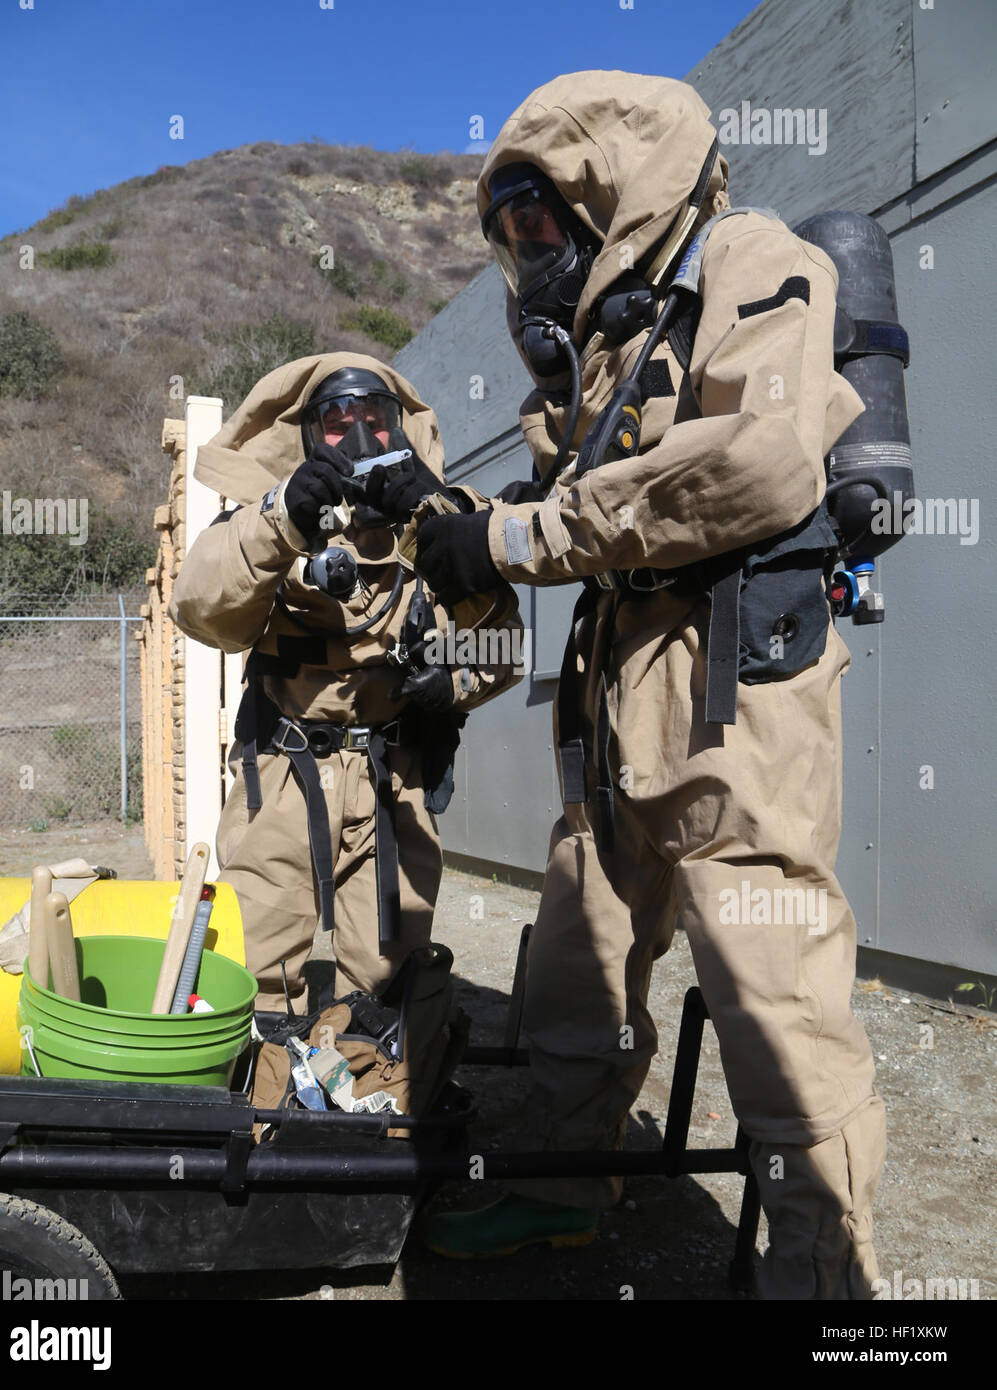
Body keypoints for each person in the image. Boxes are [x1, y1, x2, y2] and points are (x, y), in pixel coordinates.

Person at [417, 73, 886, 1299]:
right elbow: (590, 504)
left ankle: (827, 1273)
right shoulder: (607, 340)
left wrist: (516, 539)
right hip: (616, 685)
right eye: (510, 231)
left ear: (617, 193)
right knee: (580, 950)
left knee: (770, 984)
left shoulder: (746, 258)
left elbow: (759, 456)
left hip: (736, 685)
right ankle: (563, 1188)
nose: (529, 254)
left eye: (542, 221)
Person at [169, 353, 523, 1110]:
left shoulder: (438, 529)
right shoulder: (267, 526)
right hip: (284, 768)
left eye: (376, 421)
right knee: (263, 956)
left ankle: (374, 1120)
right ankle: (262, 1125)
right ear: (308, 437)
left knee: (387, 962)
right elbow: (201, 610)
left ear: (403, 430)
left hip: (393, 773)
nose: (359, 438)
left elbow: (504, 643)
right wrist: (279, 522)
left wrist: (451, 682)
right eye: (337, 423)